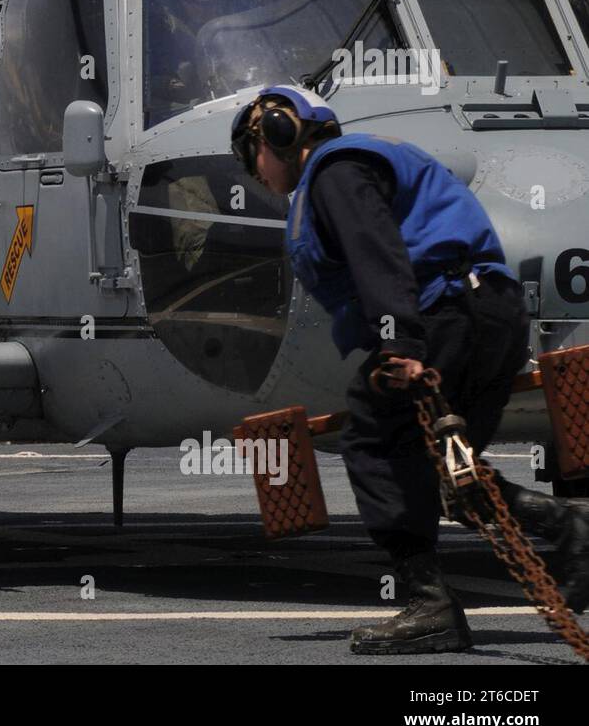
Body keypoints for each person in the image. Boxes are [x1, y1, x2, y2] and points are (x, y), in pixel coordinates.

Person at [229, 85, 589, 654]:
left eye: (251, 154)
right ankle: (567, 528)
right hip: (483, 312)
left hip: (447, 312)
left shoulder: (333, 171)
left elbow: (377, 252)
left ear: (277, 132)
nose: (256, 172)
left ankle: (431, 604)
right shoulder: (350, 167)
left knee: (372, 434)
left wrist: (401, 342)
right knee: (449, 470)